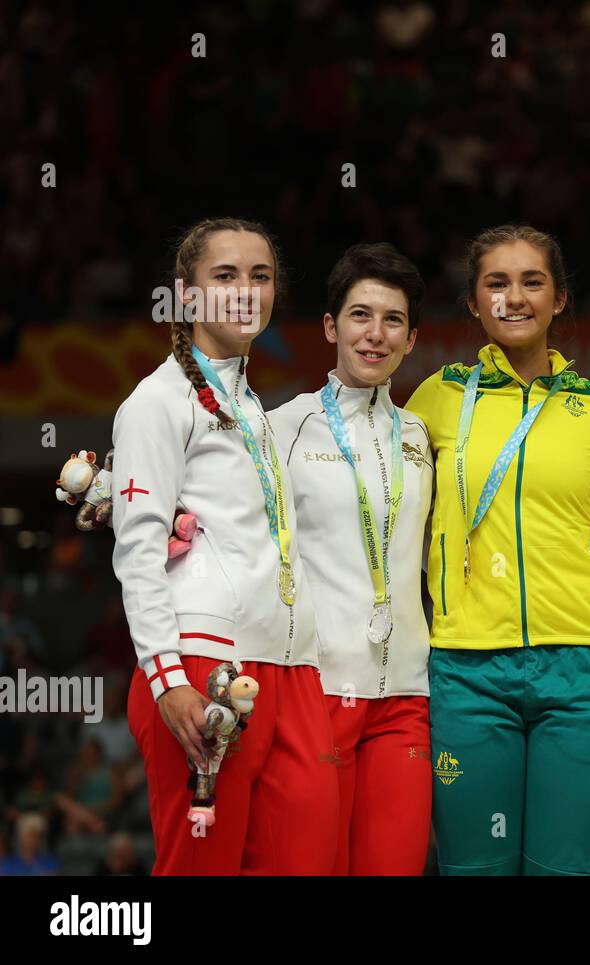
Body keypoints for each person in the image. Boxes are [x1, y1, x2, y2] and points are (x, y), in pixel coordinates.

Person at [404, 225, 590, 875]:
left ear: (560, 299)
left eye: (533, 281)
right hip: (468, 669)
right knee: (476, 868)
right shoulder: (436, 400)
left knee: (567, 867)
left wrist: (581, 560)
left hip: (583, 666)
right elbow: (389, 502)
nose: (515, 296)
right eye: (495, 283)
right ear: (473, 304)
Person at [114, 217, 336, 874]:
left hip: (289, 665)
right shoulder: (157, 402)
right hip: (202, 666)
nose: (246, 289)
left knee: (308, 860)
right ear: (186, 296)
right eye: (226, 275)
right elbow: (138, 551)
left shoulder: (251, 408)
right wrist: (167, 681)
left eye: (260, 276)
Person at [268, 243, 434, 875]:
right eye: (361, 316)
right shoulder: (282, 428)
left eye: (393, 320)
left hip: (406, 696)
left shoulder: (418, 436)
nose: (376, 334)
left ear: (412, 338)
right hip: (316, 691)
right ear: (332, 327)